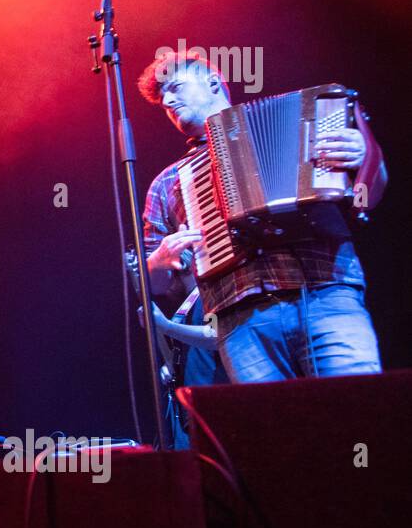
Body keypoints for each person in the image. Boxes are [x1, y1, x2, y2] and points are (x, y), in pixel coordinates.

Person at [138, 50, 386, 383]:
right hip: (241, 320)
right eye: (162, 100)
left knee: (363, 411)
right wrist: (156, 262)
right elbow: (153, 285)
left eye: (176, 87)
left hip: (325, 289)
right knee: (274, 430)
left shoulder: (308, 119)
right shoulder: (166, 182)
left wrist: (364, 156)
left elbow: (366, 200)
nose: (167, 100)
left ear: (213, 82)